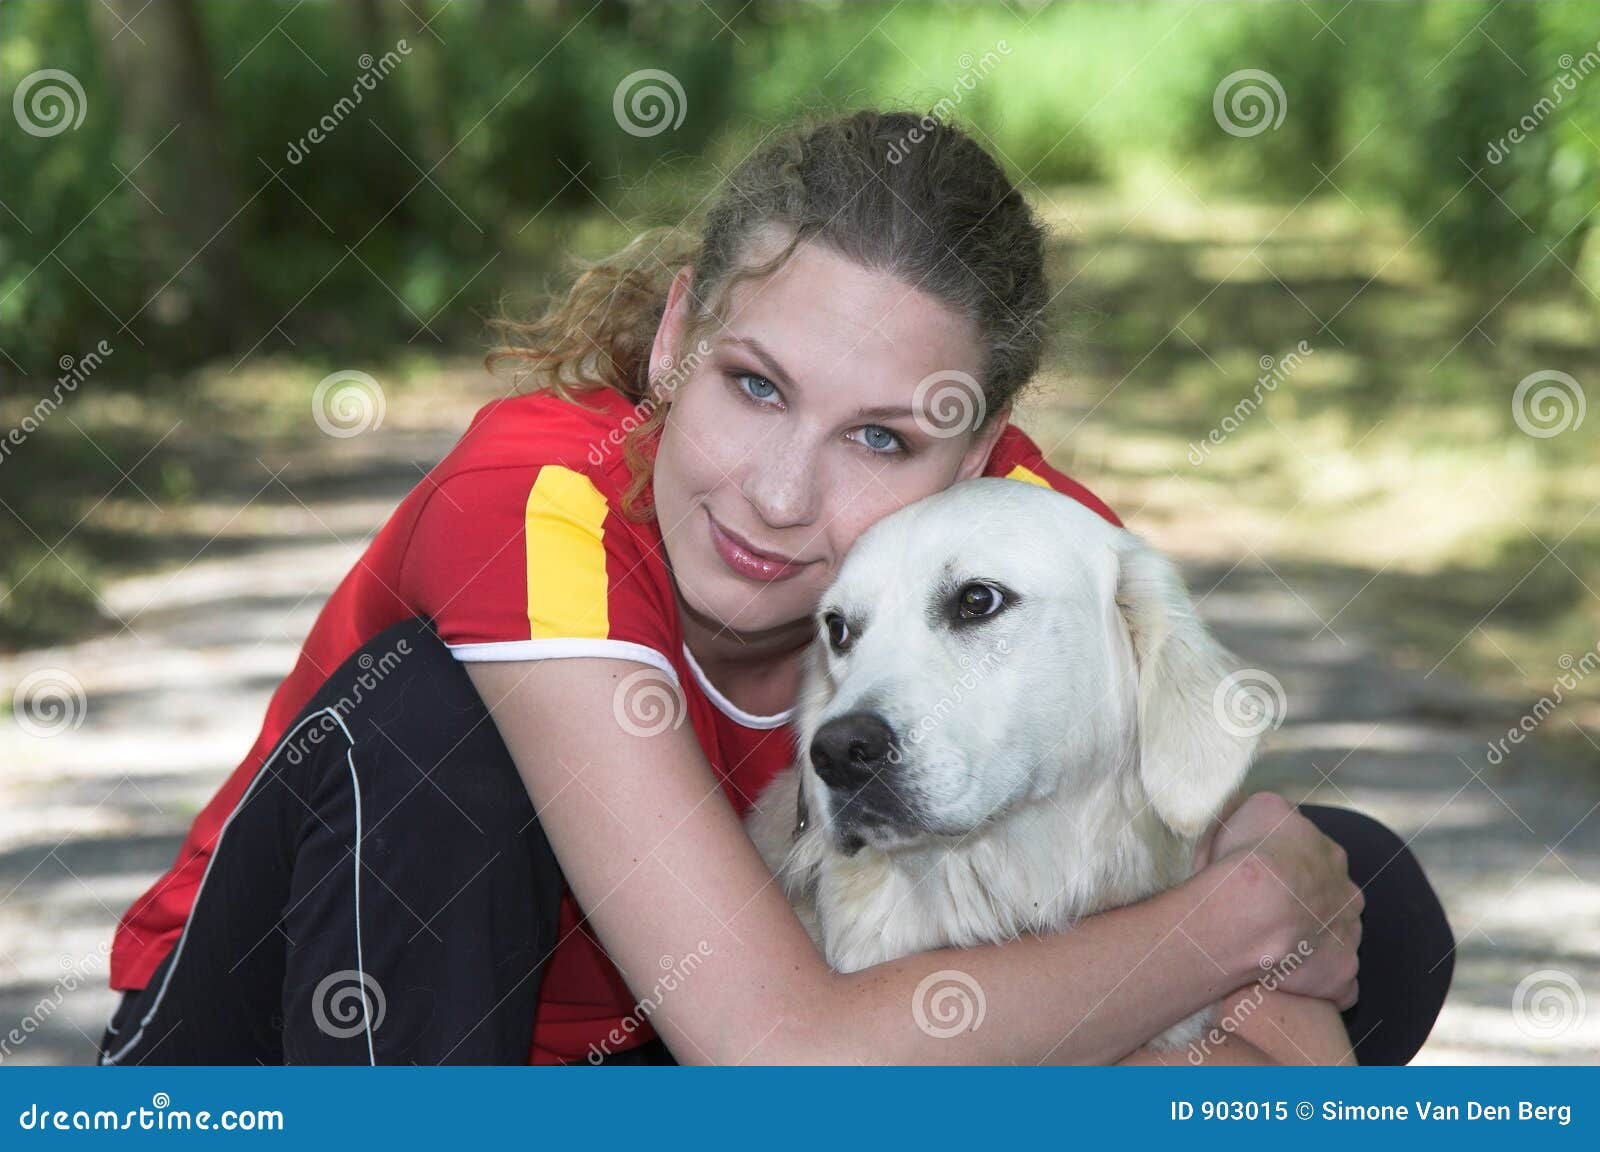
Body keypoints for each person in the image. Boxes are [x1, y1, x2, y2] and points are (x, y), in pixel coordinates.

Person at [99, 108, 1453, 1067]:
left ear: (979, 452)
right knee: (436, 726)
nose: (780, 496)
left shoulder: (1008, 535)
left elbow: (1213, 826)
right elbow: (778, 1052)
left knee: (1362, 887)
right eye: (755, 386)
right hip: (274, 1056)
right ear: (679, 331)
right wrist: (1223, 923)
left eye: (882, 437)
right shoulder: (536, 501)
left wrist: (1260, 852)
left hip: (658, 1069)